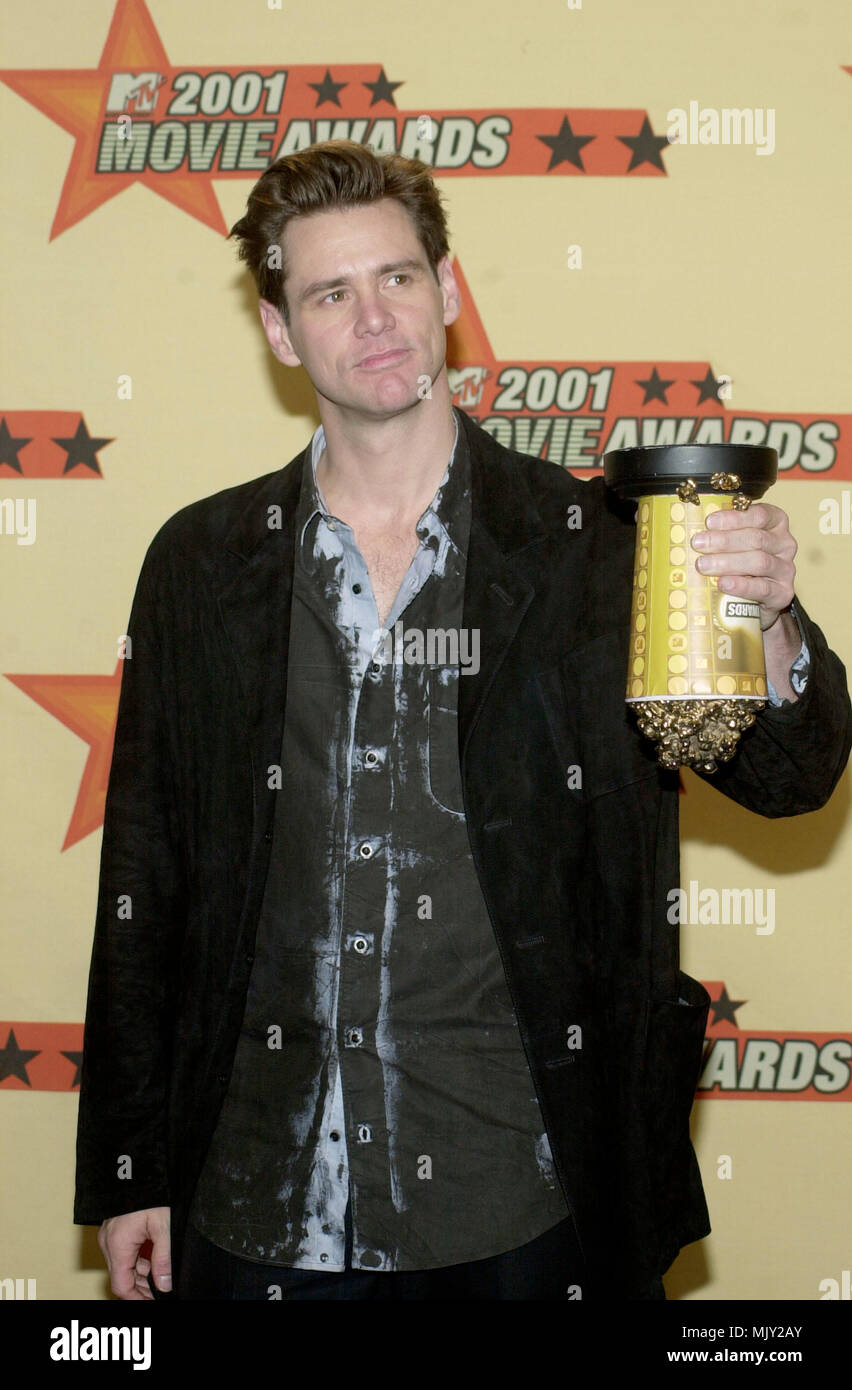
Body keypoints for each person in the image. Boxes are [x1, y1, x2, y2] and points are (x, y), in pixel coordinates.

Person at [74, 140, 852, 1302]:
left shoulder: (603, 551)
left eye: (397, 277)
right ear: (283, 333)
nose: (374, 317)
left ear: (447, 292)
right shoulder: (200, 563)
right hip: (257, 1195)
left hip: (529, 1201)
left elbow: (791, 777)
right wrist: (128, 1163)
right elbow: (148, 875)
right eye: (330, 292)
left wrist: (772, 620)